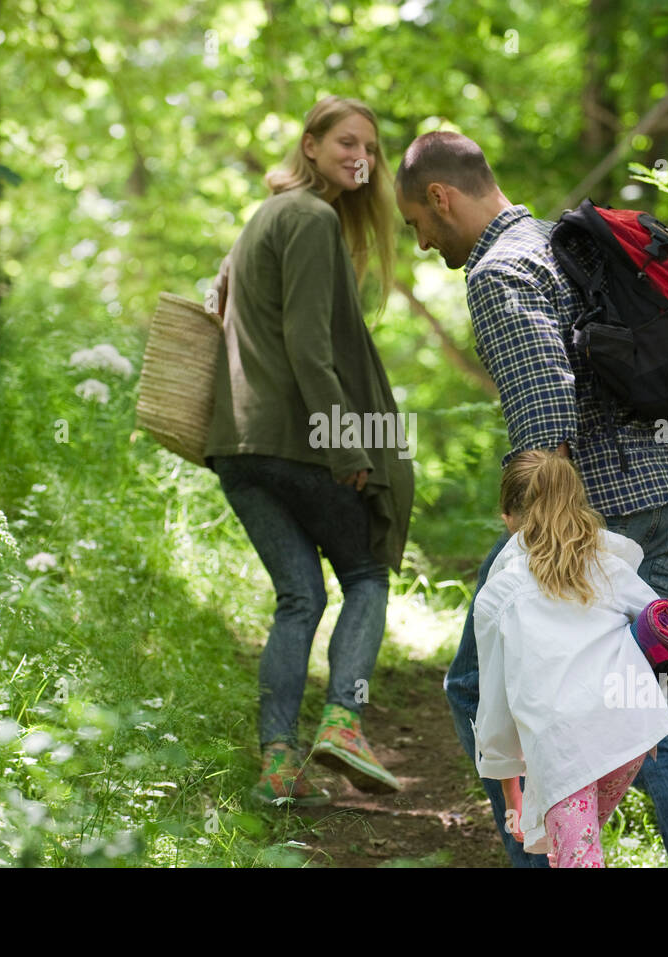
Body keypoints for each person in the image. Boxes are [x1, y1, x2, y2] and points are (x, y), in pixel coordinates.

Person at [394, 130, 668, 866]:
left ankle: (538, 852)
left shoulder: (500, 270)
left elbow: (545, 412)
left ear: (439, 196)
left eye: (416, 226)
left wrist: (535, 526)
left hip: (587, 515)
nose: (421, 244)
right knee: (655, 706)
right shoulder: (574, 250)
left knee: (479, 683)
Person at [205, 96, 414, 806]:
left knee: (299, 597)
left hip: (236, 446)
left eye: (374, 147)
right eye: (348, 141)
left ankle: (277, 767)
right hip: (297, 440)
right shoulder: (314, 218)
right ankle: (345, 721)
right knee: (366, 574)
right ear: (311, 145)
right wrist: (345, 442)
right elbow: (308, 346)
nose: (363, 155)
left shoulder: (257, 220)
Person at [475, 450, 668, 868]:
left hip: (564, 741)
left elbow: (495, 702)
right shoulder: (608, 567)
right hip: (629, 730)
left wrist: (511, 789)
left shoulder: (500, 594)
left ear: (508, 517)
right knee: (576, 848)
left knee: (577, 855)